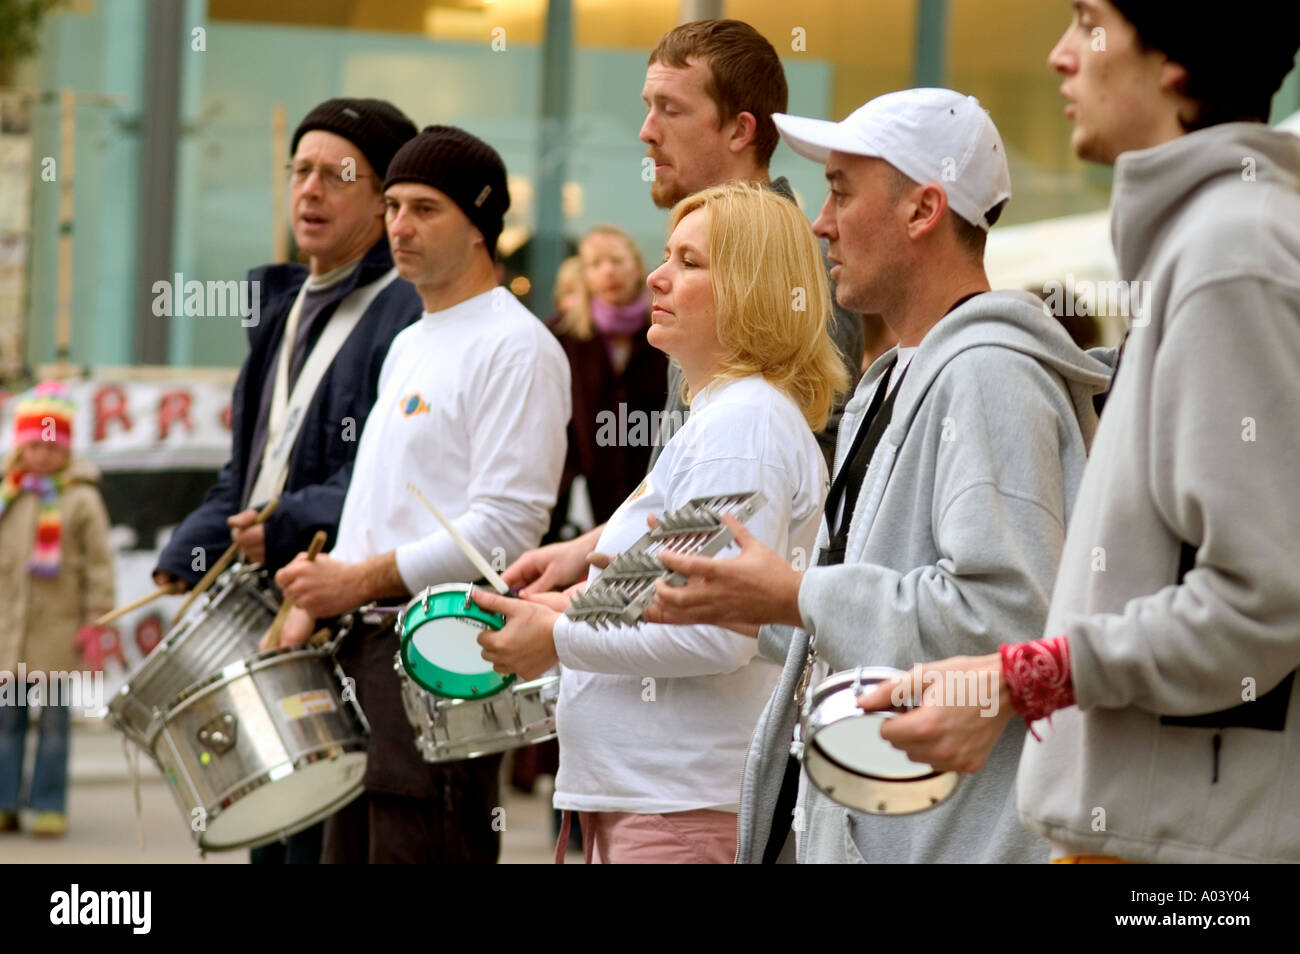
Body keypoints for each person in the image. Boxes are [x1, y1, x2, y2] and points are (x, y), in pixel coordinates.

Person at [857, 1, 1300, 864]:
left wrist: (1016, 679)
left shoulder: (1232, 252)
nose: (1061, 56)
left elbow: (1264, 597)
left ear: (1174, 59)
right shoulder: (1215, 244)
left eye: (1089, 23)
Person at [645, 88, 1114, 864]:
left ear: (923, 211)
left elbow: (1008, 622)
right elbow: (877, 605)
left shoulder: (988, 375)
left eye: (839, 191)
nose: (821, 222)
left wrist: (794, 595)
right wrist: (746, 604)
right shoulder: (895, 378)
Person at [472, 181, 847, 863]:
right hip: (660, 804)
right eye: (668, 255)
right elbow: (666, 597)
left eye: (690, 262)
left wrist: (557, 633)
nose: (656, 275)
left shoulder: (742, 426)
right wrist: (569, 603)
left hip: (677, 810)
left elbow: (714, 634)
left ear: (751, 289)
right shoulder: (728, 418)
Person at [272, 125, 571, 864]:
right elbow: (380, 501)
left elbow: (505, 527)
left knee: (425, 843)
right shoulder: (412, 338)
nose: (399, 226)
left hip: (440, 654)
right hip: (366, 648)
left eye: (425, 209)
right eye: (395, 205)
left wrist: (357, 580)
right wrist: (315, 595)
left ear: (480, 226)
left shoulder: (516, 345)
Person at [503, 19, 865, 598]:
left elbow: (755, 513)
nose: (646, 131)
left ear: (740, 130)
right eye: (648, 107)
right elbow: (700, 495)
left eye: (670, 109)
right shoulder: (718, 263)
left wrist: (571, 618)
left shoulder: (795, 270)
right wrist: (585, 552)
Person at [151, 97, 420, 864]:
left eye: (337, 175)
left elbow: (385, 476)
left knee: (313, 835)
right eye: (299, 171)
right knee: (269, 827)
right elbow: (253, 462)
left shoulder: (402, 309)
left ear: (382, 199)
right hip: (271, 604)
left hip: (340, 611)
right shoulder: (285, 304)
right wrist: (195, 544)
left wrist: (290, 520)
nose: (309, 191)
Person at [0, 382, 115, 837]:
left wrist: (97, 618)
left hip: (59, 636)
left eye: (52, 447)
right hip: (9, 635)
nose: (43, 457)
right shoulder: (8, 497)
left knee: (53, 727)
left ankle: (48, 804)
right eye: (35, 446)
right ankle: (5, 801)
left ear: (66, 449)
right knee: (7, 721)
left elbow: (100, 565)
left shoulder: (80, 499)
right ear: (20, 446)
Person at [551, 225, 668, 528]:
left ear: (637, 266)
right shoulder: (562, 334)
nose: (608, 272)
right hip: (582, 497)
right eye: (595, 264)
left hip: (656, 488)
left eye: (617, 261)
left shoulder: (668, 326)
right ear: (585, 275)